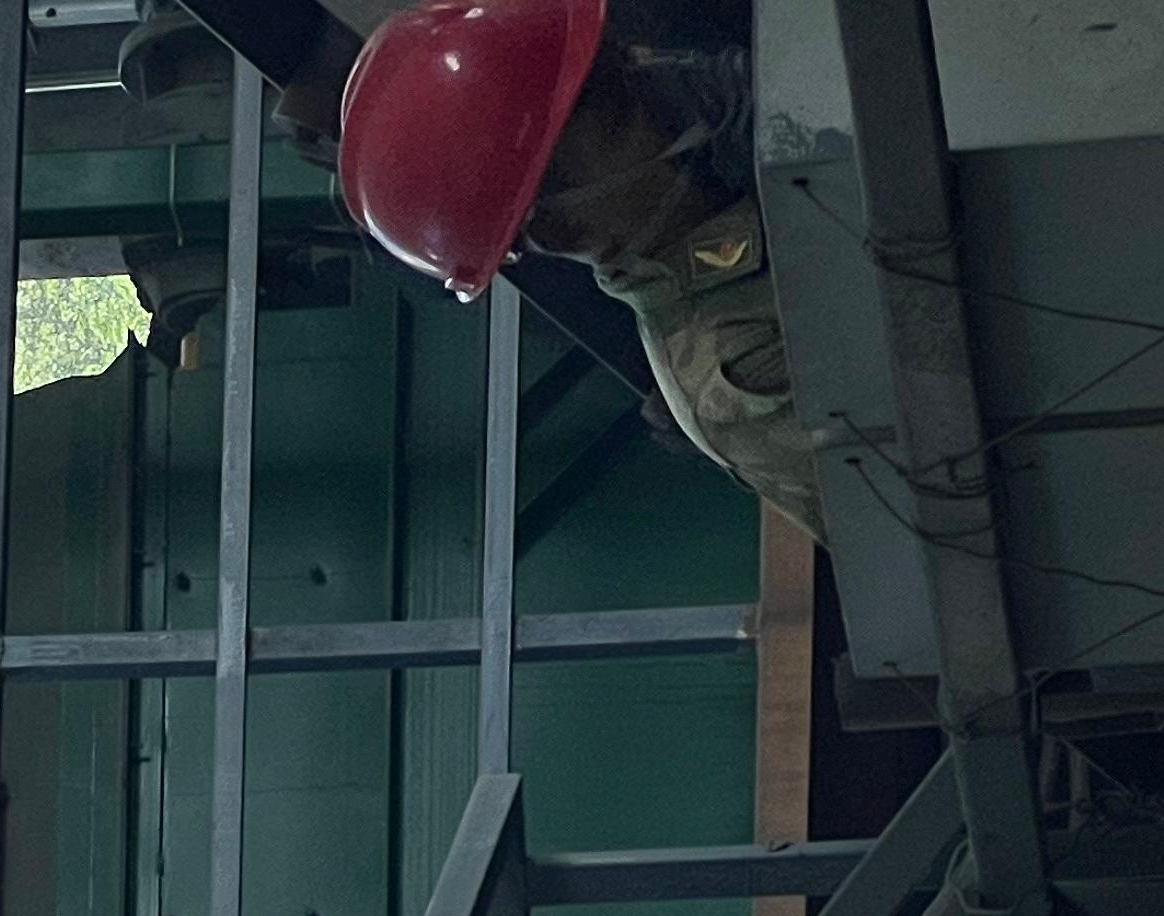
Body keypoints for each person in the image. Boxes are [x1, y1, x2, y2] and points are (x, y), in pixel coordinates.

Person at [333, 0, 820, 536]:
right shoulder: (735, 366)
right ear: (560, 230)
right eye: (613, 115)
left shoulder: (733, 151)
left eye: (619, 66)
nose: (653, 89)